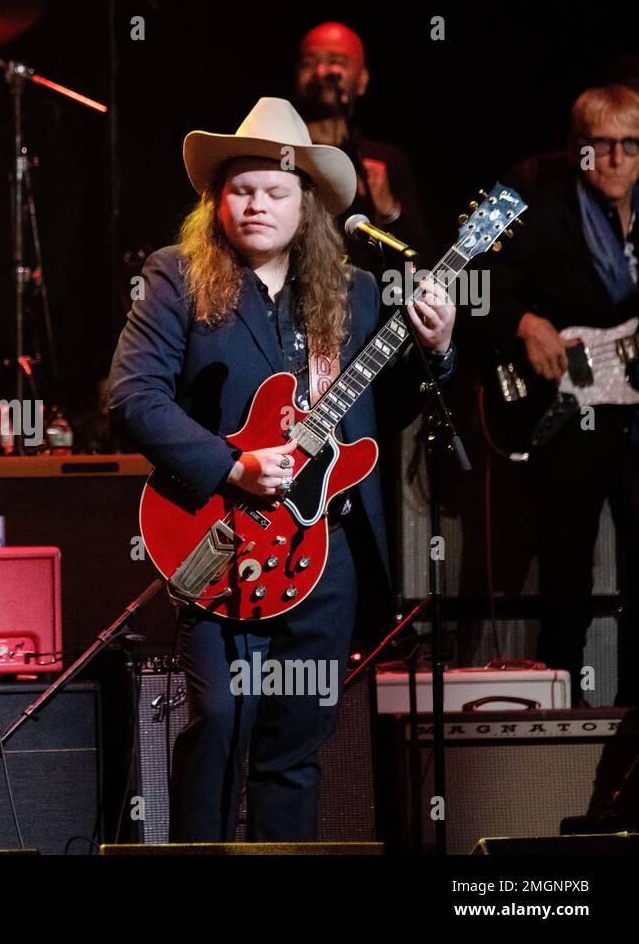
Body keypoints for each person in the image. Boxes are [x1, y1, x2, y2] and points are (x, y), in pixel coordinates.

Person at [108, 97, 455, 842]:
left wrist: (437, 352)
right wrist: (231, 463)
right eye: (241, 189)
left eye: (275, 191)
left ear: (309, 205)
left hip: (323, 555)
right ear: (215, 200)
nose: (256, 204)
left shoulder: (356, 293)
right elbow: (132, 398)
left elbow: (376, 417)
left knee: (296, 743)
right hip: (221, 539)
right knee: (225, 718)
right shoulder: (176, 276)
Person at [489, 83, 639, 709]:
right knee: (564, 582)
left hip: (634, 419)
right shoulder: (533, 194)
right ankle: (560, 726)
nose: (614, 160)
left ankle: (632, 724)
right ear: (576, 148)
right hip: (560, 414)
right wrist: (522, 322)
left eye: (631, 146)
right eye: (600, 146)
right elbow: (469, 276)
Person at [293, 22, 433, 268]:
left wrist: (390, 211)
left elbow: (422, 265)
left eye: (337, 62)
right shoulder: (279, 152)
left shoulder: (386, 162)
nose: (322, 71)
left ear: (362, 80)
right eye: (309, 62)